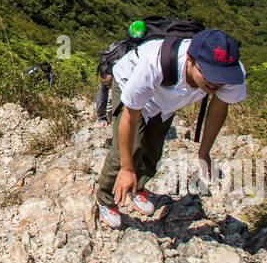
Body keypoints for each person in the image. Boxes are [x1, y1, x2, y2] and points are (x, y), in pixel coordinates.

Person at [95, 27, 246, 229]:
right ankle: (106, 199)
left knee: (153, 148)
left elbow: (217, 110)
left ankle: (138, 187)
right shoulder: (154, 62)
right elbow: (129, 117)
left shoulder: (230, 72)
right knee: (131, 148)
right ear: (190, 60)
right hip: (131, 84)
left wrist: (204, 152)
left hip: (166, 102)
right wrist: (126, 167)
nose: (216, 83)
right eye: (209, 75)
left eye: (221, 77)